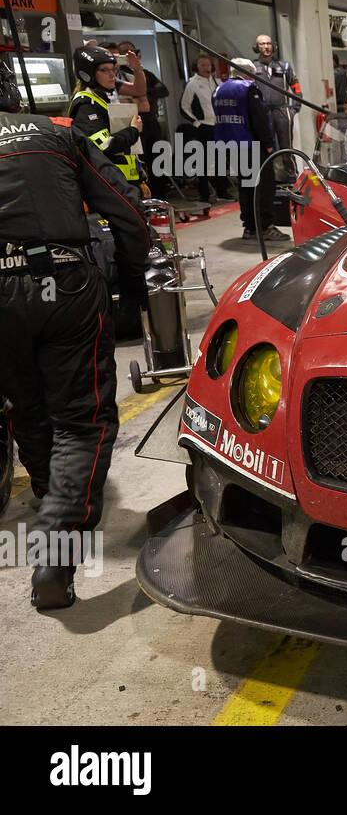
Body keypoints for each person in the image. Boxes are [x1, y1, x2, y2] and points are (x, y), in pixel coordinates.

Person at [0, 60, 151, 608]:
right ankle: (54, 557)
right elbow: (128, 214)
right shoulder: (57, 134)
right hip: (61, 281)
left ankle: (49, 501)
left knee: (27, 408)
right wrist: (133, 286)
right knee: (80, 423)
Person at [214, 58, 286, 242]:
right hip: (251, 145)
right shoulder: (248, 89)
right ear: (247, 73)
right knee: (263, 186)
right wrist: (268, 143)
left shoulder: (219, 90)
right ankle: (265, 226)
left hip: (230, 144)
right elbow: (258, 118)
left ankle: (249, 227)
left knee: (245, 186)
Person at [67, 46, 147, 194]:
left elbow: (139, 90)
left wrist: (137, 69)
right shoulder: (86, 105)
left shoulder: (102, 94)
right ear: (88, 74)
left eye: (113, 69)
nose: (111, 75)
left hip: (122, 180)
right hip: (108, 183)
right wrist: (133, 130)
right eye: (104, 70)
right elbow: (106, 144)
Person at [114, 41, 170, 197]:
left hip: (151, 122)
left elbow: (159, 94)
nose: (128, 55)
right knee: (142, 164)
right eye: (124, 53)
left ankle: (161, 198)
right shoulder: (116, 78)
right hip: (132, 125)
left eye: (132, 52)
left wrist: (140, 95)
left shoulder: (143, 74)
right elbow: (137, 102)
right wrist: (137, 98)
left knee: (158, 162)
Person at [178, 55, 234, 203]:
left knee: (221, 160)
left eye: (208, 65)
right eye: (203, 65)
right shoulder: (192, 84)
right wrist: (197, 123)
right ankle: (204, 194)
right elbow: (184, 107)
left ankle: (222, 191)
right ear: (197, 67)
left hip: (220, 126)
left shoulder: (218, 81)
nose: (207, 68)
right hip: (204, 127)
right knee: (204, 162)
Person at [251, 34, 301, 180]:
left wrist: (294, 109)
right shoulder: (253, 67)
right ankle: (269, 179)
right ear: (256, 47)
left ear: (273, 46)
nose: (266, 47)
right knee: (266, 146)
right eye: (262, 44)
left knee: (286, 147)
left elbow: (296, 88)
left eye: (268, 43)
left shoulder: (284, 67)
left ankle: (292, 177)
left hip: (282, 111)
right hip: (263, 112)